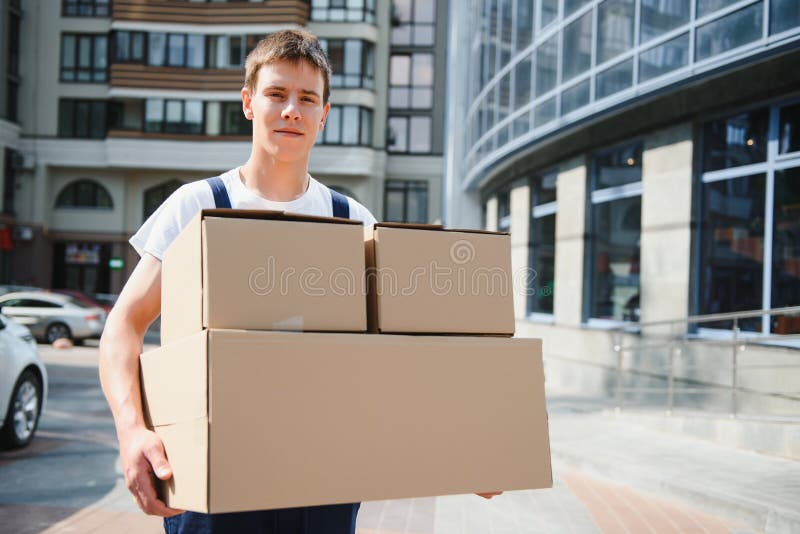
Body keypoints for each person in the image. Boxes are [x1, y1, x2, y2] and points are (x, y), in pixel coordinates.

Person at [99, 29, 499, 534]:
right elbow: (124, 325)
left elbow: (405, 352)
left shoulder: (352, 219)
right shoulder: (198, 205)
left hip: (322, 482)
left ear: (324, 115)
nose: (292, 110)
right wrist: (131, 430)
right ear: (248, 103)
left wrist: (465, 449)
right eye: (276, 94)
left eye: (307, 99)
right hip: (214, 479)